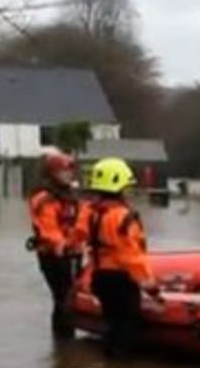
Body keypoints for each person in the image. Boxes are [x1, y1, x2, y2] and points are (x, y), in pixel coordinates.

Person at [86, 158, 161, 356]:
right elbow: (130, 255)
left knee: (111, 324)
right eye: (127, 186)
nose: (129, 191)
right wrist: (148, 283)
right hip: (120, 279)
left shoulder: (93, 213)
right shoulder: (123, 217)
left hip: (100, 277)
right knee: (127, 327)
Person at [28, 149, 90, 339]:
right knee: (63, 296)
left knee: (68, 295)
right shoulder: (44, 199)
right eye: (65, 171)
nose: (69, 174)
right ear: (53, 174)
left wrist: (80, 241)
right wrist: (61, 244)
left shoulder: (71, 197)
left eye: (71, 171)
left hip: (73, 252)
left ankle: (64, 343)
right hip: (53, 255)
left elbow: (83, 219)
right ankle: (64, 341)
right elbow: (48, 227)